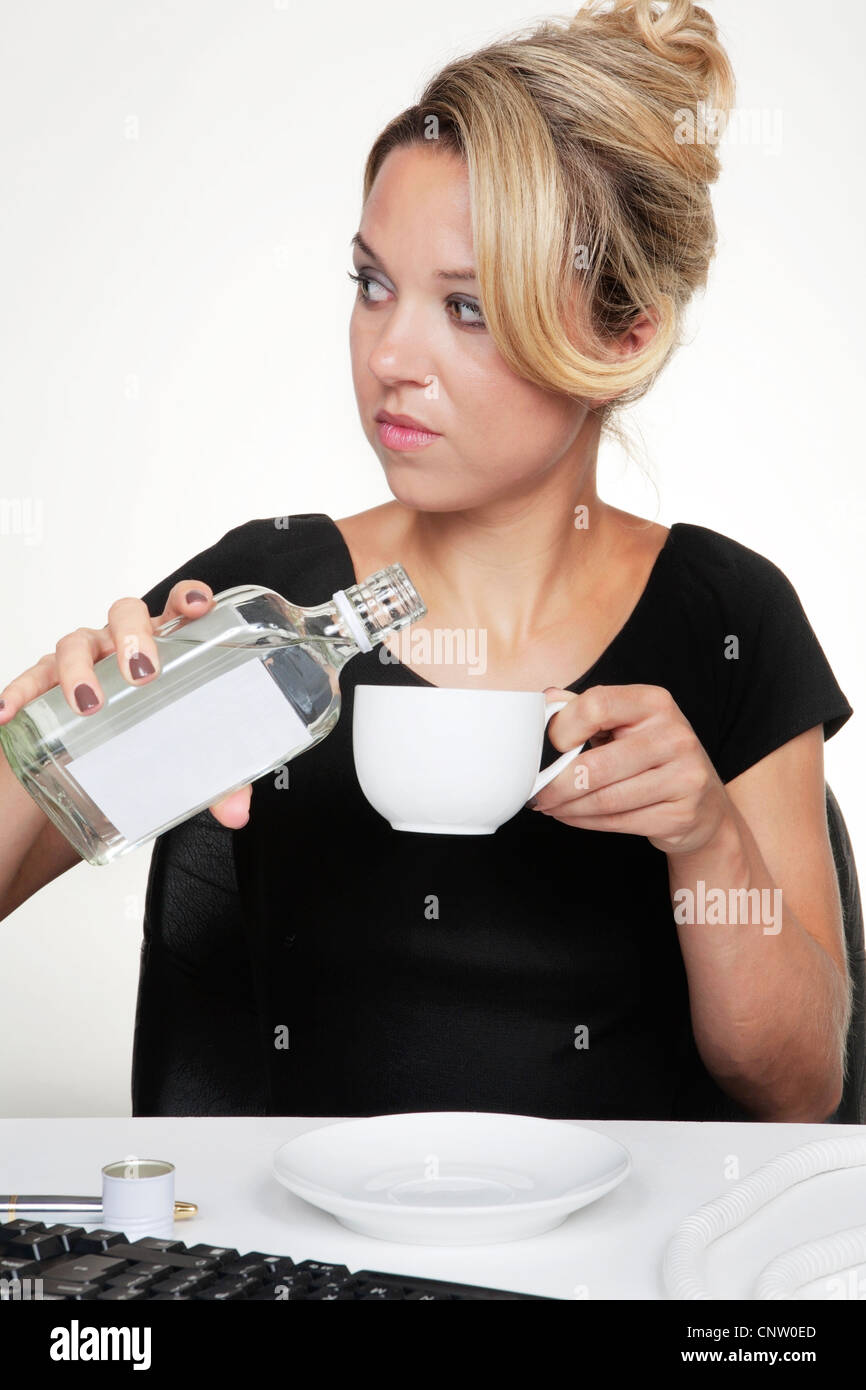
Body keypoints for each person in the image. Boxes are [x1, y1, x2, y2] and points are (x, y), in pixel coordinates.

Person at [0, 0, 855, 1122]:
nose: (389, 355)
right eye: (370, 285)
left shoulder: (727, 619)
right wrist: (43, 745)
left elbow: (797, 1093)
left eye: (465, 306)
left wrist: (707, 844)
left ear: (624, 334)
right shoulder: (264, 602)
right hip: (305, 1281)